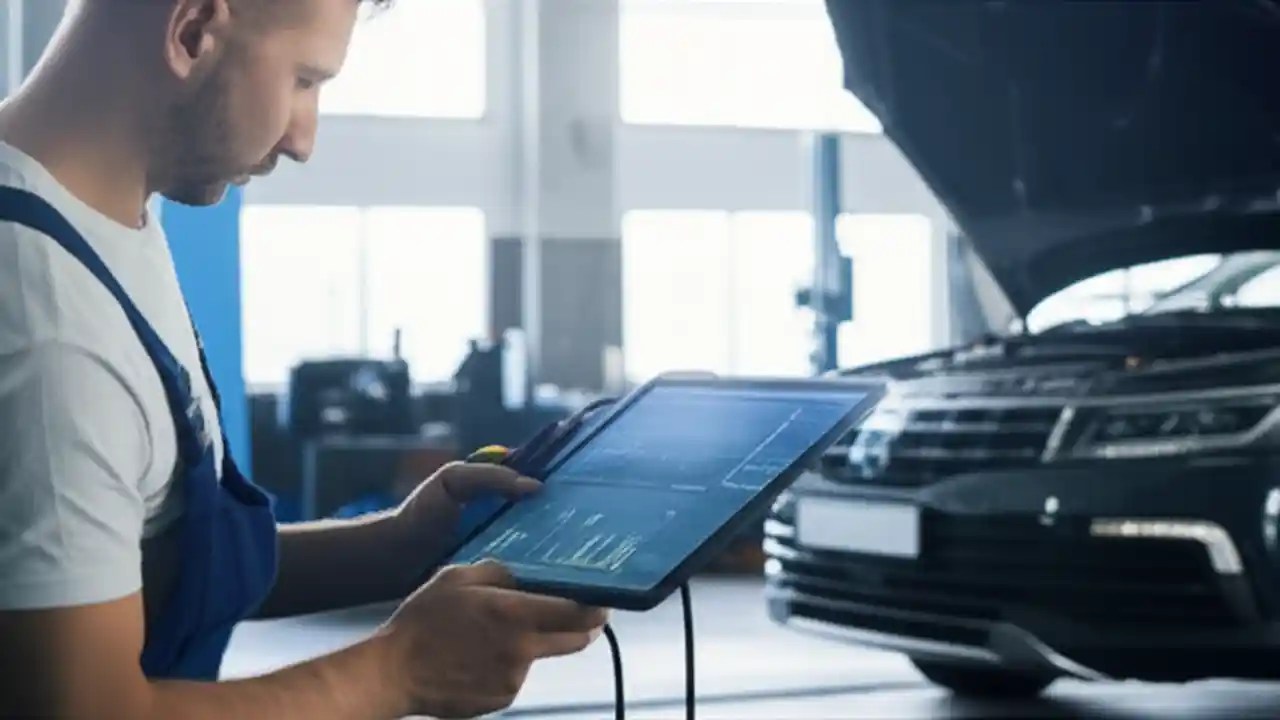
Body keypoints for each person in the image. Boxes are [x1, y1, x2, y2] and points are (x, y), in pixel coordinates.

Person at [0, 1, 608, 718]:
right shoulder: (44, 315)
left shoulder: (99, 222)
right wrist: (398, 670)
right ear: (192, 31)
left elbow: (147, 561)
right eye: (305, 80)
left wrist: (398, 544)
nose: (304, 140)